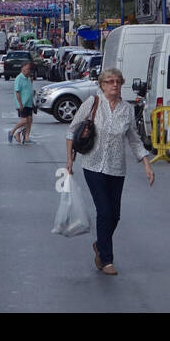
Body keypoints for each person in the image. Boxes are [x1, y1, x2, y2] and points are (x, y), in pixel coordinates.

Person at [65, 68, 154, 276]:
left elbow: (134, 139)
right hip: (93, 165)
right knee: (104, 211)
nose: (114, 85)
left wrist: (147, 164)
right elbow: (71, 130)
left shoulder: (127, 110)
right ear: (102, 85)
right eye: (110, 81)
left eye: (118, 82)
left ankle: (100, 243)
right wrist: (69, 160)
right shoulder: (92, 103)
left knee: (115, 215)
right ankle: (106, 259)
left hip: (116, 168)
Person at [8, 60, 36, 145]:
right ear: (22, 68)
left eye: (29, 69)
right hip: (22, 103)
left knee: (30, 120)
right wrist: (20, 104)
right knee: (24, 121)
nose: (29, 71)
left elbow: (29, 89)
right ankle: (12, 132)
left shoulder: (28, 78)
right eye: (27, 69)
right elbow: (17, 92)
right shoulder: (19, 78)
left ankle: (26, 136)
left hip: (29, 102)